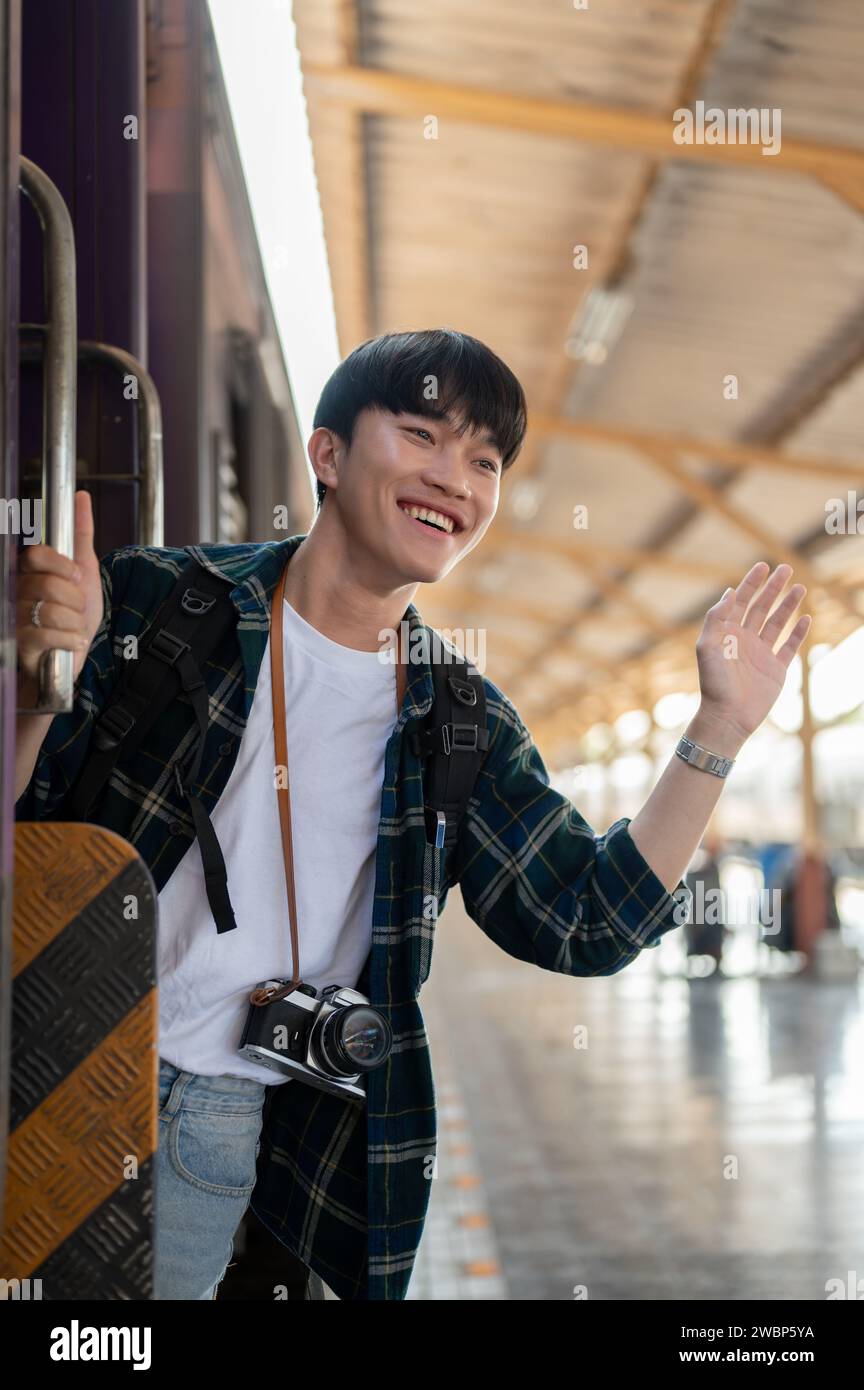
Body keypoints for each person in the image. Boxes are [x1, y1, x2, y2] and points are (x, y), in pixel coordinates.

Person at [13, 328, 812, 1300]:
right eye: (424, 434)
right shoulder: (159, 604)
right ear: (329, 453)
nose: (458, 478)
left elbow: (587, 918)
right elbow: (26, 811)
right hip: (48, 1053)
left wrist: (718, 726)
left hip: (242, 1118)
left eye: (485, 460)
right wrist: (33, 684)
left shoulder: (459, 718)